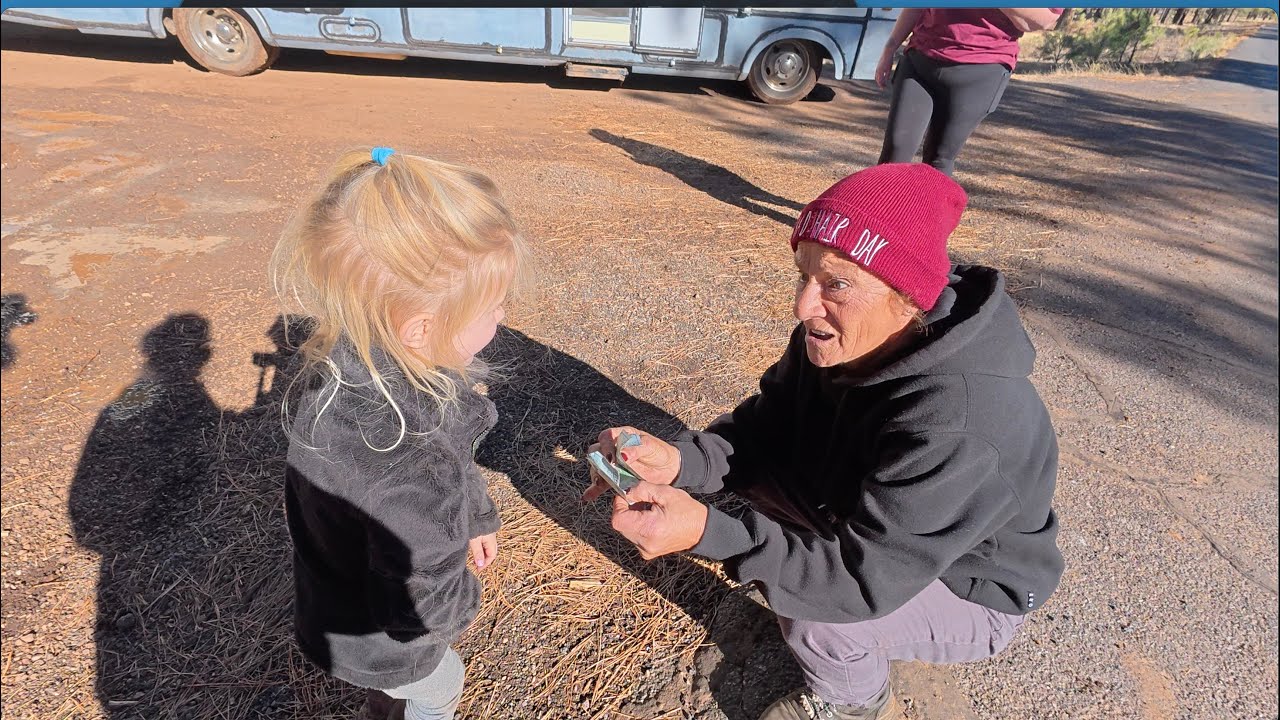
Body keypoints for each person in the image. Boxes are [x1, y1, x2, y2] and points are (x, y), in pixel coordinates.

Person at [586, 163, 1063, 720]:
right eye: (802, 275)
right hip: (877, 522)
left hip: (972, 584)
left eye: (835, 283)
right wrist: (678, 461)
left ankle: (853, 703)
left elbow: (858, 583)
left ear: (908, 297)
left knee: (819, 616)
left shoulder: (960, 422)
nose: (803, 306)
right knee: (778, 513)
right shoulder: (835, 335)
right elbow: (764, 432)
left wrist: (706, 531)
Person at [271, 147, 530, 720]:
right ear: (421, 328)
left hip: (338, 602)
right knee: (438, 686)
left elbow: (456, 460)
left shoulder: (355, 361)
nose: (503, 317)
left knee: (394, 696)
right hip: (382, 639)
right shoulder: (408, 463)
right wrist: (462, 600)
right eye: (493, 307)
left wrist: (477, 516)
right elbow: (423, 605)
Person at [875, 8, 1063, 177]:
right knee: (894, 153)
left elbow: (1045, 19)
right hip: (921, 57)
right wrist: (890, 47)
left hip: (981, 69)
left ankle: (928, 215)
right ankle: (876, 213)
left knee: (938, 160)